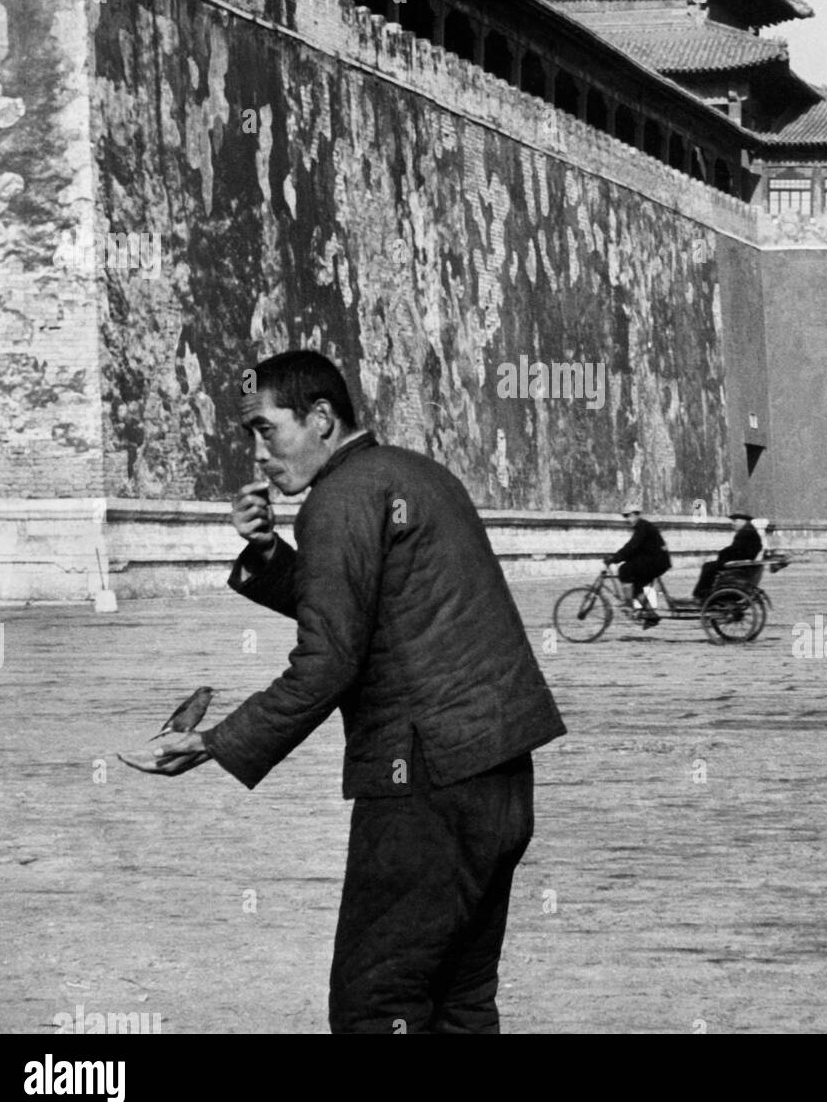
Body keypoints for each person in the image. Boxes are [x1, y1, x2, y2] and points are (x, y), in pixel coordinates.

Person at [128, 349, 566, 1034]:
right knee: (460, 999)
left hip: (426, 780)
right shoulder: (414, 474)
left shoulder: (339, 499)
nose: (258, 455)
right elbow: (366, 609)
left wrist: (216, 741)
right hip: (500, 773)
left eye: (266, 430)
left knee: (376, 1003)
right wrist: (269, 554)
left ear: (322, 418)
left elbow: (329, 659)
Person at [605, 504, 671, 628]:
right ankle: (651, 615)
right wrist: (617, 557)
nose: (627, 519)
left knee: (624, 570)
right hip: (657, 561)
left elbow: (632, 546)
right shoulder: (642, 526)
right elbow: (635, 550)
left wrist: (615, 558)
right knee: (635, 586)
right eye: (625, 516)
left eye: (628, 516)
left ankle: (628, 605)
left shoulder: (642, 526)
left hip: (656, 562)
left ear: (636, 515)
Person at [693, 512, 763, 600]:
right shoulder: (750, 532)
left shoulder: (745, 533)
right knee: (710, 566)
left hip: (738, 565)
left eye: (735, 521)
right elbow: (739, 549)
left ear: (743, 521)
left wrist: (723, 554)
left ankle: (702, 593)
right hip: (741, 563)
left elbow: (737, 551)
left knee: (708, 567)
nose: (733, 523)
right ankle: (705, 591)